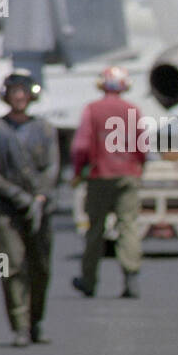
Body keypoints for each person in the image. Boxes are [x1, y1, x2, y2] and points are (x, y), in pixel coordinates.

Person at [0, 69, 59, 346]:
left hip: (40, 209)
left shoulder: (45, 129)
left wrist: (39, 198)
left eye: (23, 91)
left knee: (41, 267)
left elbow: (52, 167)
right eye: (14, 91)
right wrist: (16, 196)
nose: (19, 96)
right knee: (11, 266)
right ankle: (19, 324)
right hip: (7, 210)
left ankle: (37, 321)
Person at [71, 66, 147, 299]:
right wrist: (137, 167)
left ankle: (89, 280)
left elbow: (81, 146)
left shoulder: (92, 110)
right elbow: (142, 146)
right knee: (128, 227)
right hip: (128, 175)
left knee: (95, 229)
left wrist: (77, 172)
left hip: (99, 176)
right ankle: (131, 278)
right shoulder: (132, 110)